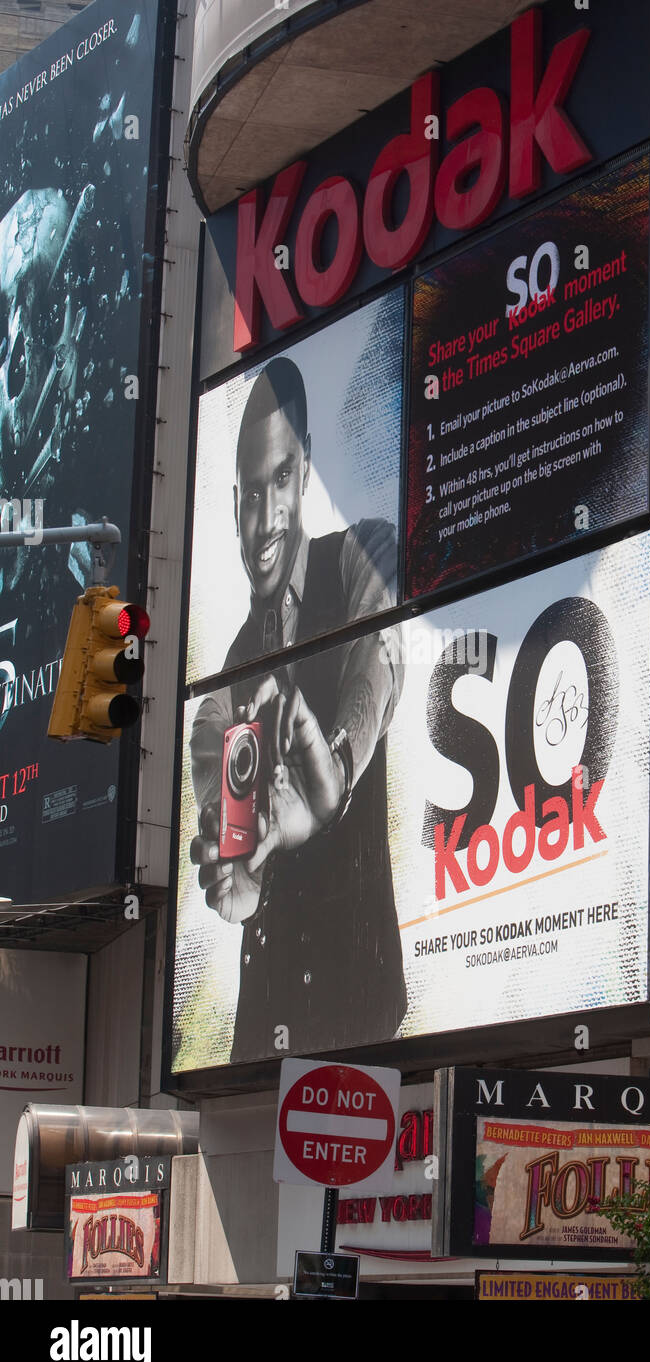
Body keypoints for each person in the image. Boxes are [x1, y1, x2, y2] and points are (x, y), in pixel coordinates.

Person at [188, 355, 406, 1063]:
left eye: (281, 478)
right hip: (265, 1024)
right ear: (233, 506)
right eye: (252, 494)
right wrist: (239, 873)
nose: (267, 516)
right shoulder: (232, 662)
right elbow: (207, 743)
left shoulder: (360, 553)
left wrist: (334, 766)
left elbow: (375, 662)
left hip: (362, 1012)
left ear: (307, 470)